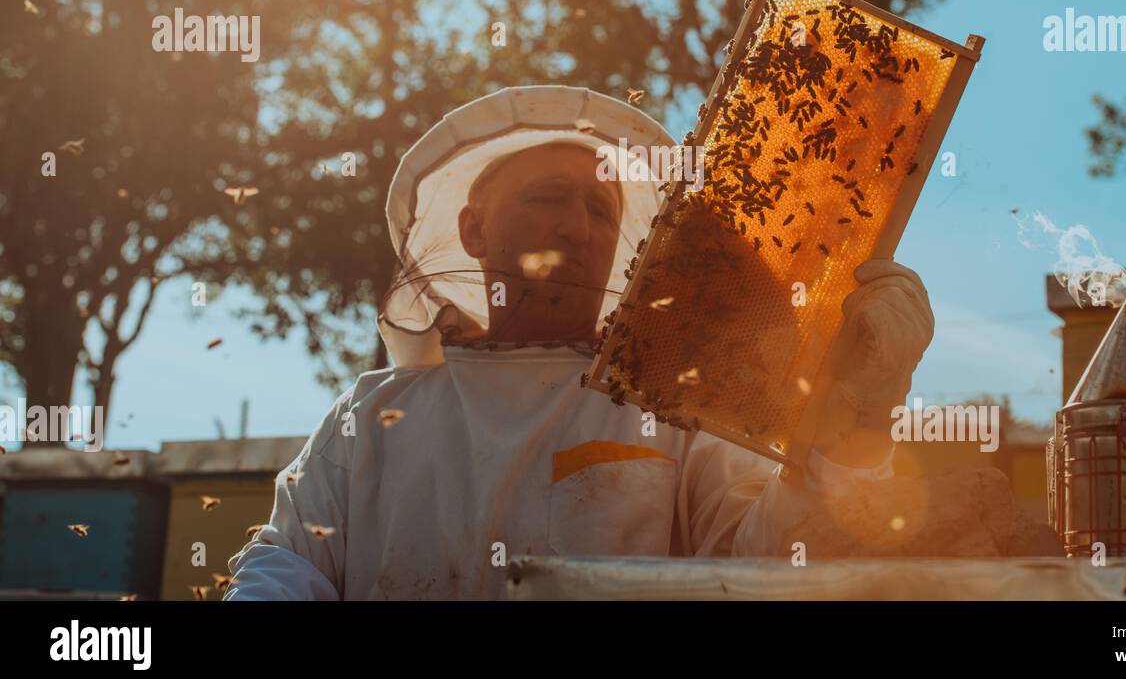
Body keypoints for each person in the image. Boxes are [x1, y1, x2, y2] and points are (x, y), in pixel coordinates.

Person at [225, 85, 934, 599]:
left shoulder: (673, 415)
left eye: (600, 208)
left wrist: (858, 424)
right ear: (473, 230)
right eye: (545, 199)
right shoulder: (373, 420)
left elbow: (770, 567)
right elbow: (287, 566)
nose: (577, 227)